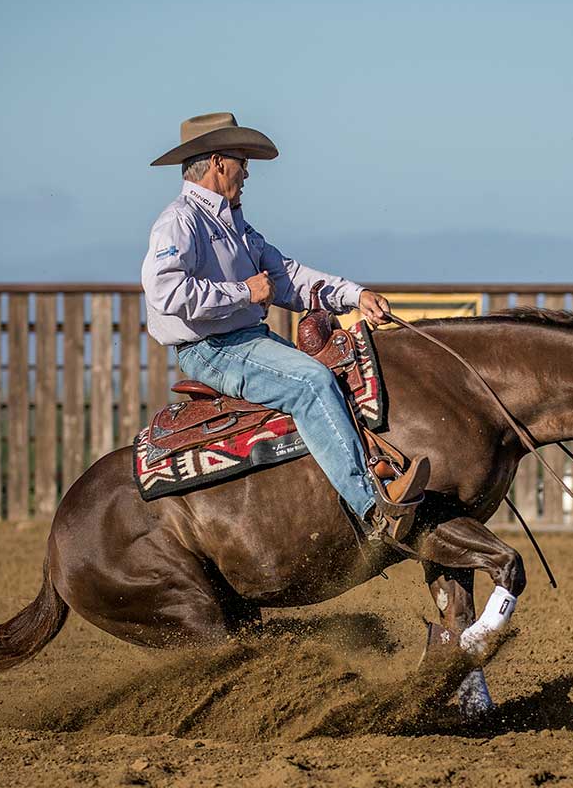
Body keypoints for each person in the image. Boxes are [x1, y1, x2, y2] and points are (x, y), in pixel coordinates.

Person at [141, 112, 429, 542]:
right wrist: (243, 292)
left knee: (337, 373)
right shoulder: (179, 222)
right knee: (311, 382)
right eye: (242, 160)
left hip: (243, 340)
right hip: (211, 348)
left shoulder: (232, 222)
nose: (248, 171)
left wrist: (354, 295)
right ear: (218, 162)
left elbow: (288, 277)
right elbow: (165, 293)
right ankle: (373, 507)